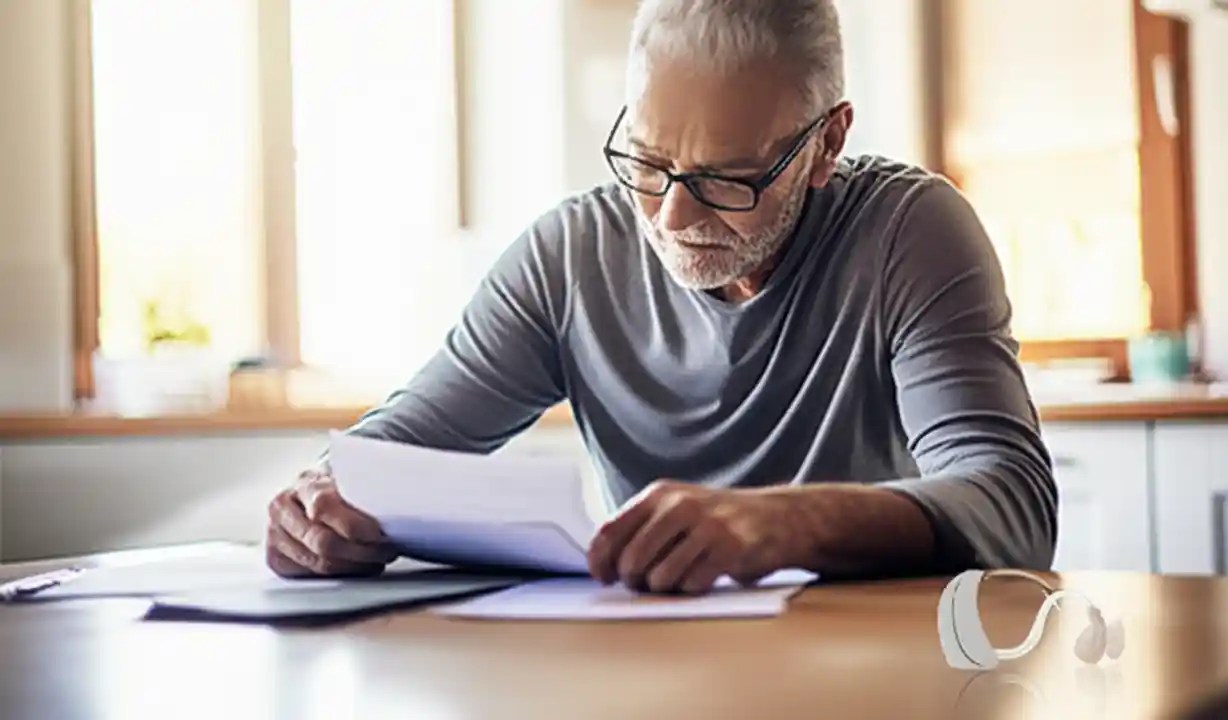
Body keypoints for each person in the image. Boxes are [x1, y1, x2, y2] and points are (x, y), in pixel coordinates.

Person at [265, 0, 1057, 594]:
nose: (672, 216)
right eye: (645, 161)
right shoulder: (570, 255)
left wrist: (787, 524)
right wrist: (321, 500)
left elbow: (1012, 505)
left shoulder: (907, 232)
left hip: (873, 672)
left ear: (827, 143)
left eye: (727, 178)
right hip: (650, 666)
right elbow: (390, 454)